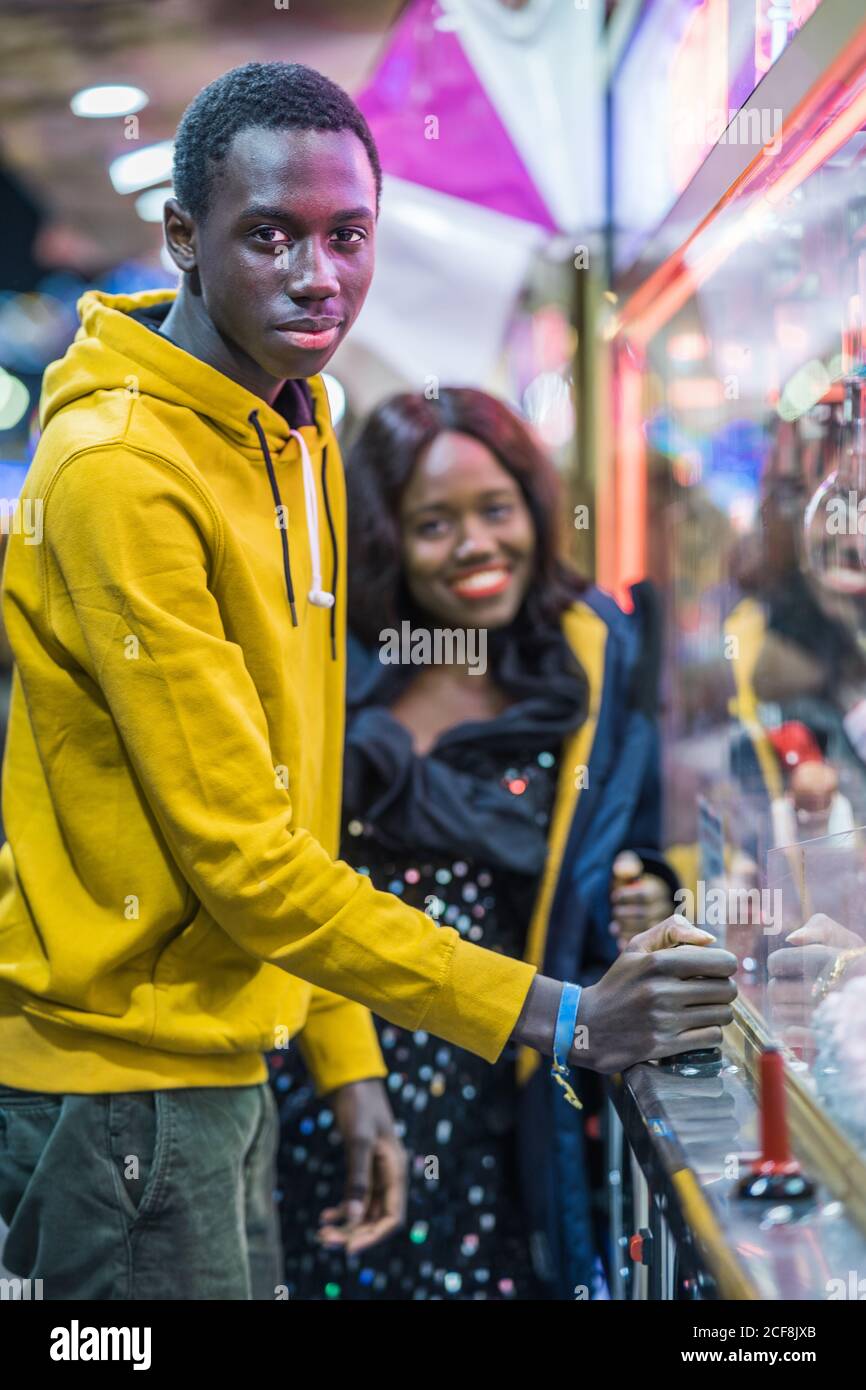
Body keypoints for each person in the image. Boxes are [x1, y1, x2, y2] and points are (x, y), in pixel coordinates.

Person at [0, 62, 736, 1300]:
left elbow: (303, 809)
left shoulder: (294, 432)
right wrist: (564, 1019)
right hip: (117, 1091)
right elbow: (243, 860)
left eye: (348, 236)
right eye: (270, 235)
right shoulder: (123, 470)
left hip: (226, 1062)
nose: (316, 275)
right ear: (182, 237)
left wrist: (348, 1069)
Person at [269, 388, 687, 1301]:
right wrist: (348, 1084)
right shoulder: (325, 667)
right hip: (334, 1082)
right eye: (433, 523)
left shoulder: (583, 661)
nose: (476, 545)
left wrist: (644, 892)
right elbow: (273, 883)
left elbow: (637, 840)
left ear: (534, 509)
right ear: (382, 537)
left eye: (496, 509)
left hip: (511, 1090)